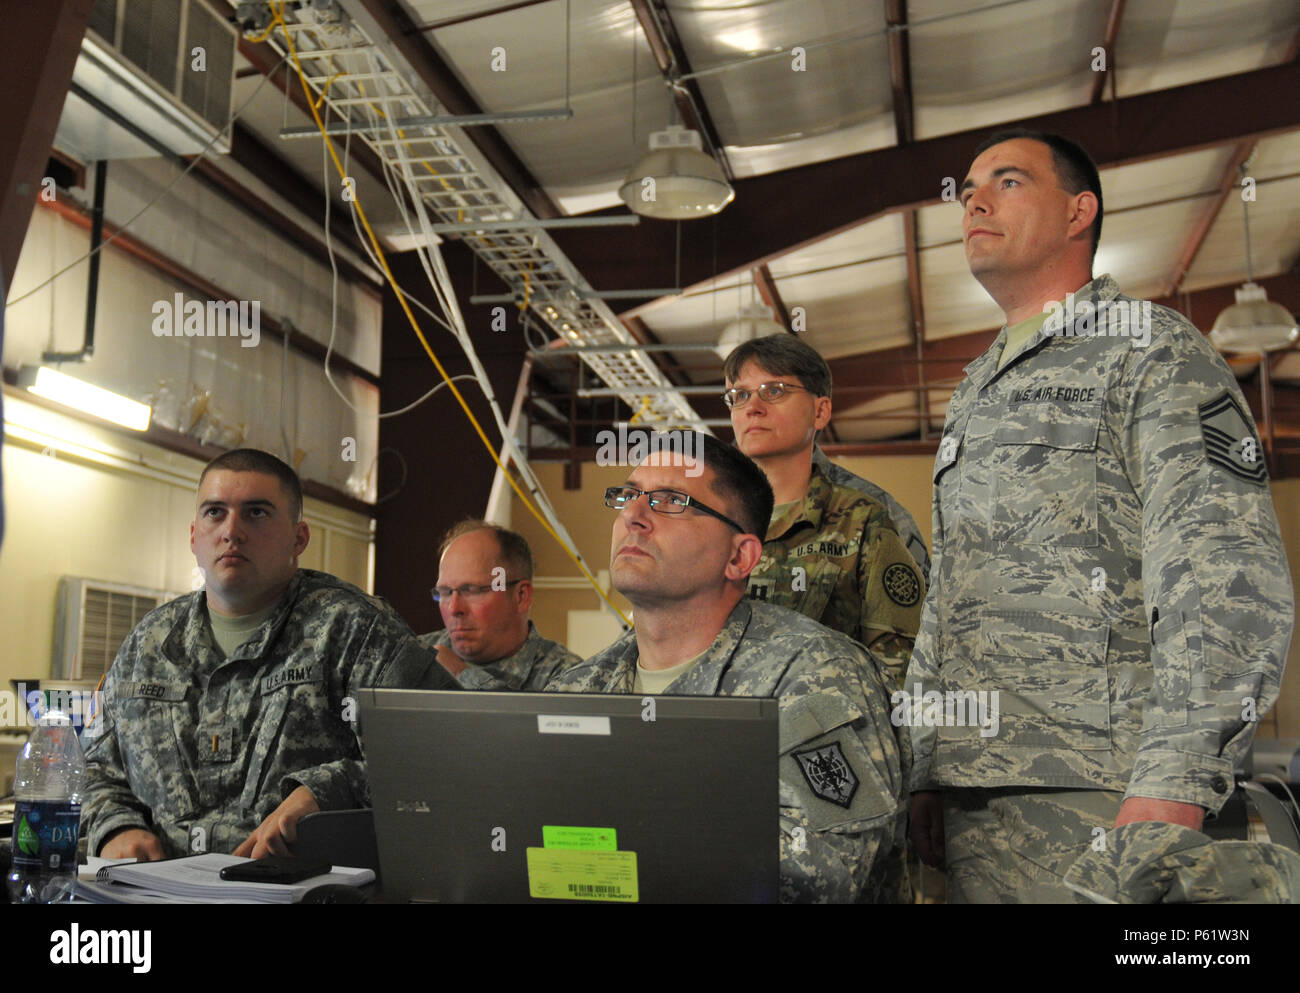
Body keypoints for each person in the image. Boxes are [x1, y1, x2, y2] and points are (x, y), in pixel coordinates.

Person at [908, 129, 1293, 903]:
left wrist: (1172, 786)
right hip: (970, 805)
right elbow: (947, 596)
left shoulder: (1149, 349)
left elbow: (1225, 575)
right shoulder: (974, 387)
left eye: (1008, 182)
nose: (973, 200)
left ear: (1080, 210)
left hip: (1103, 794)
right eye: (968, 188)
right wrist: (923, 765)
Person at [546, 432, 907, 903]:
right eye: (629, 495)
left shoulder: (814, 674)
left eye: (671, 501)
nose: (633, 516)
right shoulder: (575, 692)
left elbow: (825, 871)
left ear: (739, 557)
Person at [82, 449, 455, 861]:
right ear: (193, 535)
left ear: (299, 538)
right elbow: (95, 767)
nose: (232, 531)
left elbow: (447, 754)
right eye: (215, 513)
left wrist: (324, 793)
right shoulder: (147, 643)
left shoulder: (354, 630)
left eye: (256, 513)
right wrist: (115, 825)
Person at [723, 334, 926, 689]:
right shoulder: (705, 517)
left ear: (820, 411)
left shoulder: (869, 516)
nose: (752, 407)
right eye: (740, 395)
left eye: (774, 391)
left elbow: (907, 662)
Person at [418, 519, 579, 690]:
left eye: (472, 590)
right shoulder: (411, 656)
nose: (454, 608)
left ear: (521, 596)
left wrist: (461, 676)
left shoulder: (570, 678)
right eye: (445, 592)